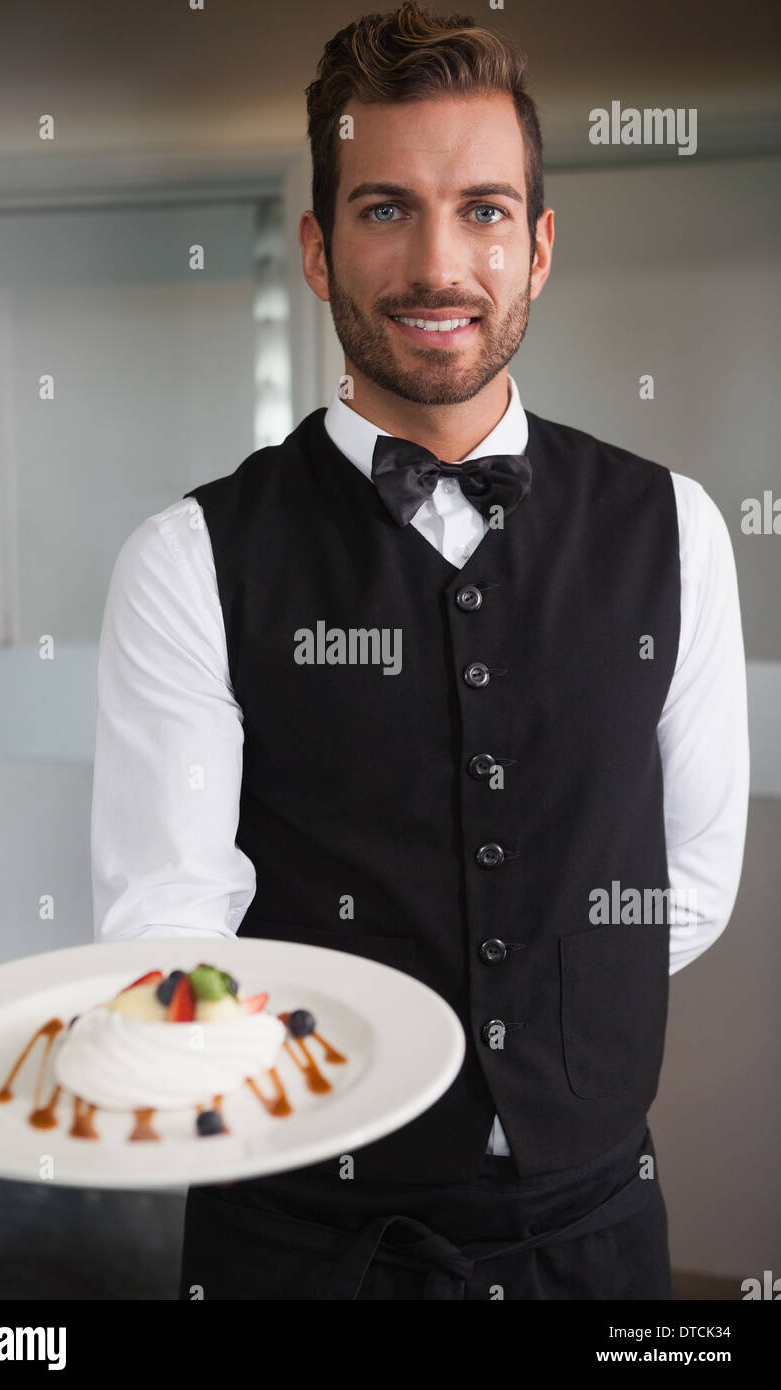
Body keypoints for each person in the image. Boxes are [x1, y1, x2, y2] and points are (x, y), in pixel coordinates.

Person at [91, 3, 749, 1299]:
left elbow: (688, 876)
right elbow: (168, 923)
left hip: (593, 1232)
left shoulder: (671, 528)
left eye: (484, 210)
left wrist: (530, 1008)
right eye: (386, 208)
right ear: (320, 250)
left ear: (540, 246)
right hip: (291, 1239)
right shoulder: (187, 556)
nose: (438, 262)